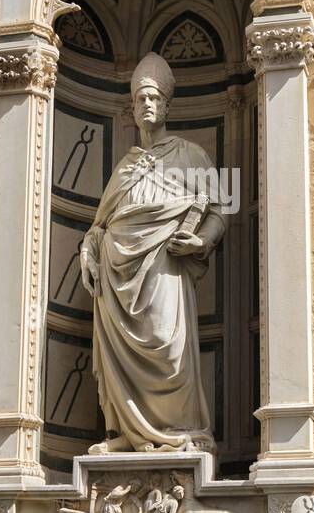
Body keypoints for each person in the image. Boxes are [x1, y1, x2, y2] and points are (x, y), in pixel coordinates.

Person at [80, 53, 225, 454]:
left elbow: (219, 210)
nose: (147, 105)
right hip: (117, 273)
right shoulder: (124, 168)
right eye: (141, 99)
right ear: (131, 108)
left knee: (166, 339)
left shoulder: (189, 154)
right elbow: (100, 225)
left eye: (154, 99)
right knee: (122, 355)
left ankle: (182, 430)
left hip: (164, 266)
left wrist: (201, 242)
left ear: (167, 105)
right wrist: (88, 251)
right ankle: (127, 434)